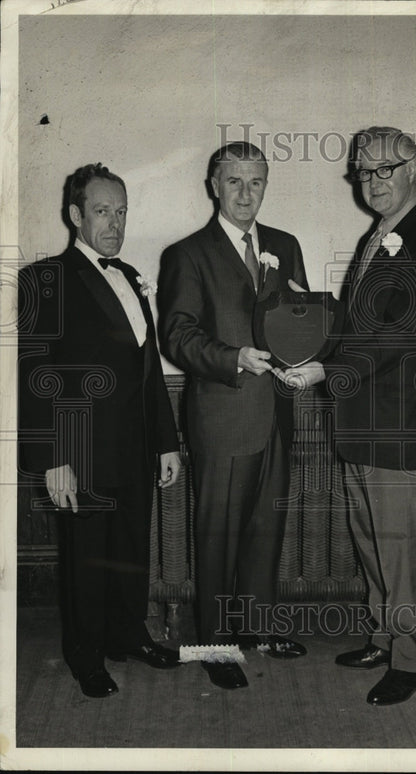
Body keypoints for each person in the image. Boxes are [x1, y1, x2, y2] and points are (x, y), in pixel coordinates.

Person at [277, 127, 416, 705]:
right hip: (361, 423)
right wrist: (305, 327)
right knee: (372, 541)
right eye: (363, 171)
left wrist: (327, 372)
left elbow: (404, 335)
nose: (372, 182)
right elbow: (356, 327)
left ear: (413, 170)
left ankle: (412, 659)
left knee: (401, 548)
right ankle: (383, 636)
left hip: (398, 425)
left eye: (384, 170)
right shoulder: (379, 236)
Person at [18, 163, 182, 699]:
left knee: (132, 550)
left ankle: (127, 635)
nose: (114, 222)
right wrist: (52, 458)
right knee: (87, 559)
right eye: (102, 211)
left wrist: (165, 442)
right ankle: (86, 656)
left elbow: (149, 368)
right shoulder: (46, 278)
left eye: (121, 211)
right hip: (79, 453)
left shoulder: (133, 275)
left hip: (134, 450)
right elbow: (35, 372)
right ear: (75, 215)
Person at [158, 141, 309, 691]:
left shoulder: (286, 246)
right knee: (217, 535)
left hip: (277, 414)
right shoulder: (188, 254)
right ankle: (215, 646)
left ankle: (259, 631)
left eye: (257, 182)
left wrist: (305, 347)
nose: (247, 194)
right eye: (235, 182)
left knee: (266, 529)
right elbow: (177, 335)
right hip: (222, 417)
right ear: (213, 187)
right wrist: (233, 358)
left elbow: (300, 321)